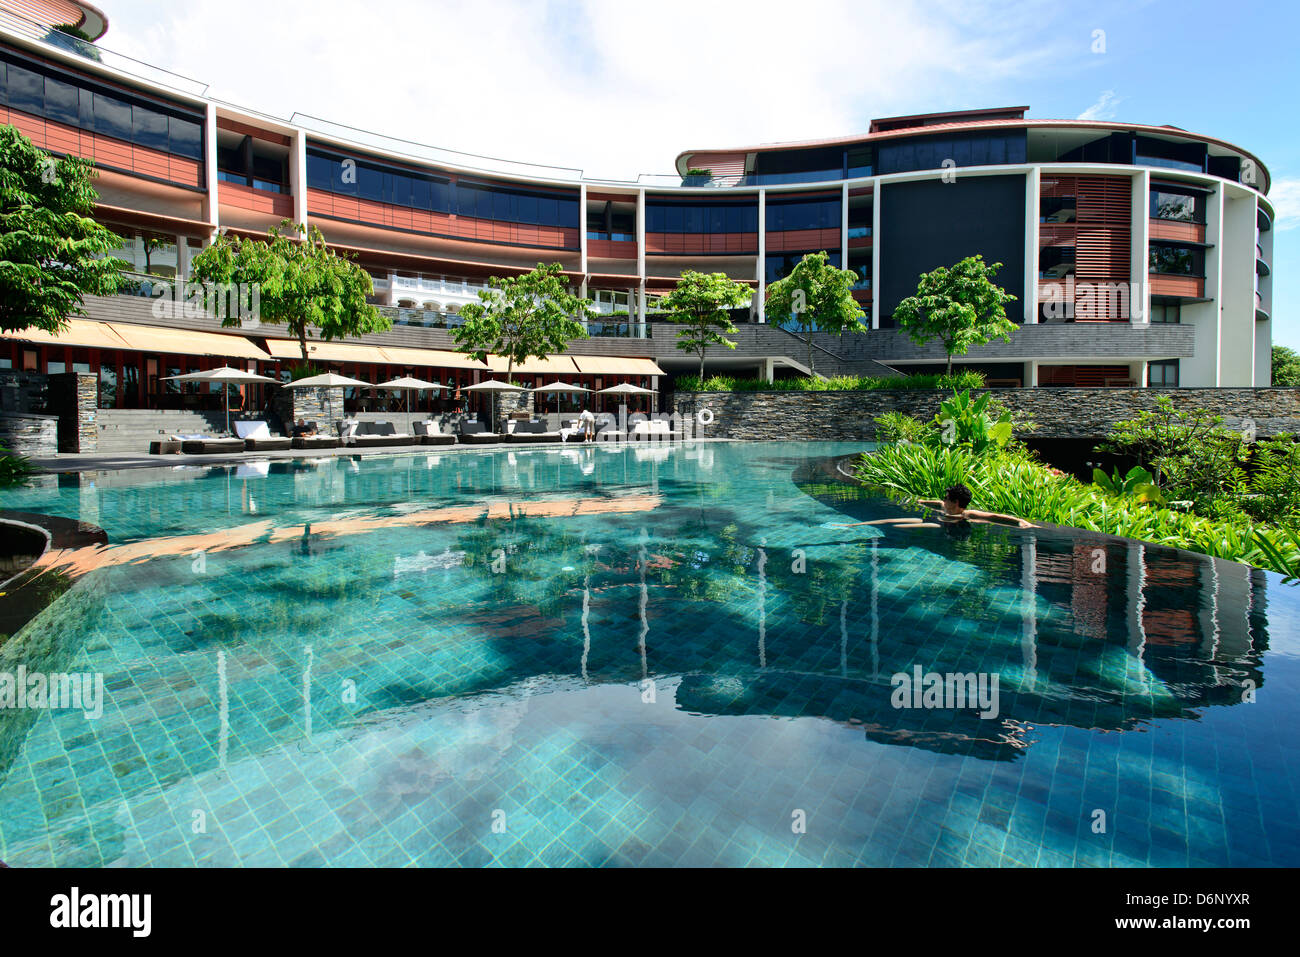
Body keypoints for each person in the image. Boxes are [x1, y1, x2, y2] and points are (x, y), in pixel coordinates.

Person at [836, 483, 1034, 530]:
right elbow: (929, 502)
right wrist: (918, 502)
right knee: (891, 522)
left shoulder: (968, 514)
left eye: (947, 498)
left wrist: (1021, 522)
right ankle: (850, 526)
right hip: (935, 520)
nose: (943, 500)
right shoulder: (943, 507)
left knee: (921, 526)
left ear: (956, 503)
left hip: (943, 527)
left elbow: (994, 517)